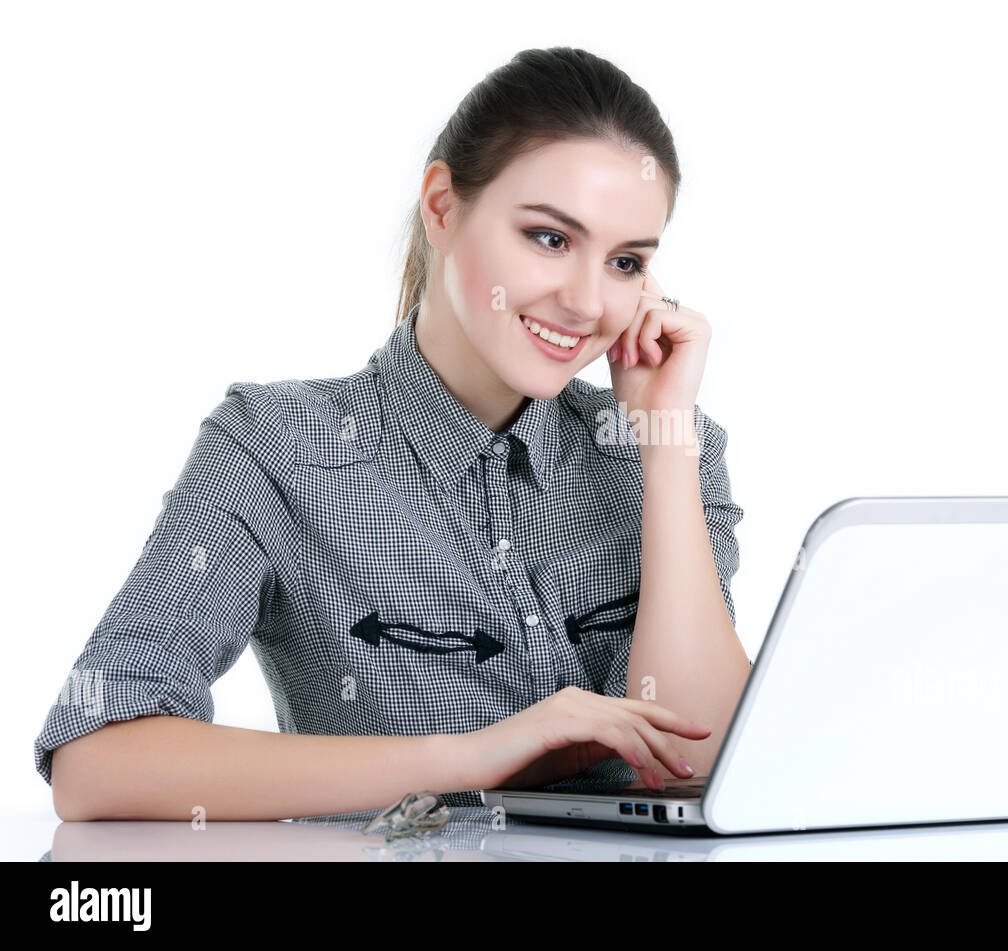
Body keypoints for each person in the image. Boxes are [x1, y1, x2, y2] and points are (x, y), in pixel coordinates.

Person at [35, 46, 750, 821]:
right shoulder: (275, 448)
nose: (585, 301)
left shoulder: (666, 449)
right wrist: (474, 756)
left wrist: (666, 443)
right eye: (549, 238)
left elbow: (705, 762)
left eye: (625, 261)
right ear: (442, 207)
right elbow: (96, 760)